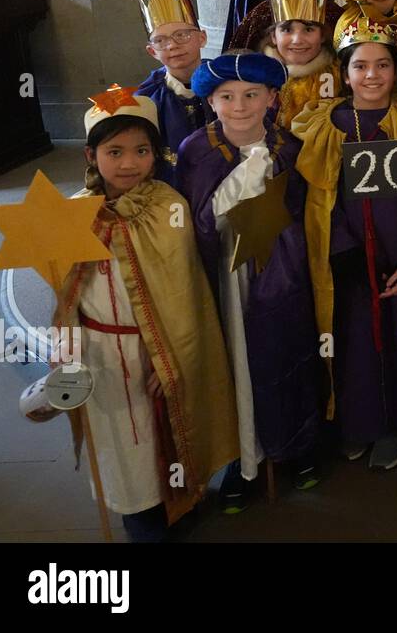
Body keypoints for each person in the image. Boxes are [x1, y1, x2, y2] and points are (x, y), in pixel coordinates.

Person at [54, 90, 237, 541]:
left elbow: (185, 293)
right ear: (91, 155)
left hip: (158, 353)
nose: (129, 163)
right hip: (101, 356)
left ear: (157, 155)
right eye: (114, 151)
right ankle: (141, 522)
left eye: (141, 151)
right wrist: (68, 352)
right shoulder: (73, 214)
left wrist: (169, 356)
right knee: (123, 445)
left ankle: (182, 503)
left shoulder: (169, 208)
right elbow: (63, 295)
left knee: (168, 434)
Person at [178, 53, 323, 510]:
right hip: (226, 274)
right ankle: (243, 460)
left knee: (283, 356)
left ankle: (294, 447)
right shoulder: (196, 151)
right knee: (236, 363)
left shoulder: (291, 147)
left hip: (280, 274)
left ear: (272, 98)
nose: (239, 106)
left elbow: (305, 211)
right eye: (226, 96)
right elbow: (192, 220)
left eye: (251, 95)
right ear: (211, 101)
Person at [294, 17, 397, 471]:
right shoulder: (327, 125)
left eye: (382, 65)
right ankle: (360, 424)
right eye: (360, 66)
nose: (372, 75)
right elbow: (321, 200)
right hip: (352, 259)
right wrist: (351, 256)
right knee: (355, 342)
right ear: (344, 71)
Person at [136, 0, 209, 178]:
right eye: (160, 41)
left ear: (202, 38)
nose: (172, 46)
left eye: (182, 35)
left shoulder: (226, 82)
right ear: (152, 51)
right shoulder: (145, 99)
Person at [261, 0, 339, 131]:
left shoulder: (339, 74)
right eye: (287, 30)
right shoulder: (257, 77)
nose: (297, 40)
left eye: (309, 29)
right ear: (274, 37)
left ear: (322, 36)